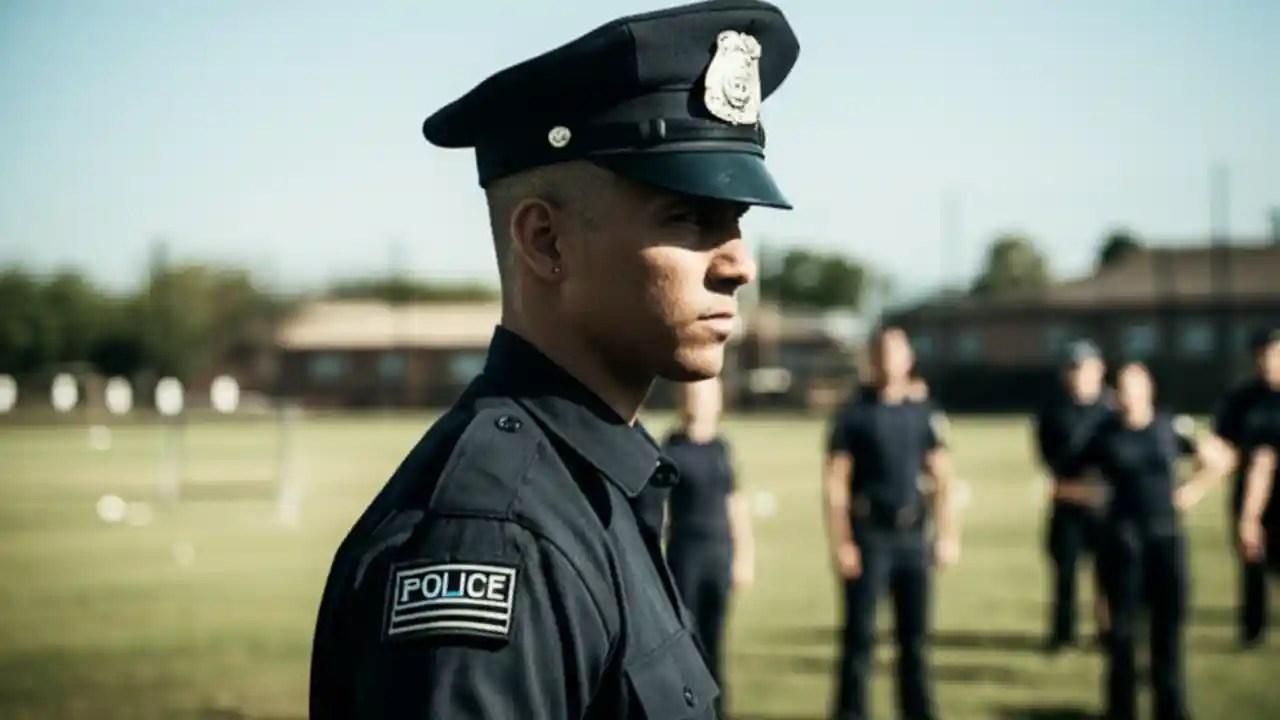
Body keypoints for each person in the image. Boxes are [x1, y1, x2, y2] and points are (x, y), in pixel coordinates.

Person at [308, 2, 802, 717]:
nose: (740, 265)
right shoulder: (500, 538)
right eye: (690, 216)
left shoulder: (588, 484)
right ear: (546, 242)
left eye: (737, 222)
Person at [1074, 362, 1231, 720]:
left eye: (1136, 386)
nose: (1130, 395)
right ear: (1115, 393)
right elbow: (1066, 481)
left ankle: (1171, 709)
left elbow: (1220, 459)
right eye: (1123, 388)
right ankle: (1121, 709)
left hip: (1166, 540)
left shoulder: (1170, 426)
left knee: (1168, 634)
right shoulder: (1102, 433)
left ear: (1149, 389)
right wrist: (1093, 496)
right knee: (1124, 636)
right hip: (1124, 544)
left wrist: (1191, 491)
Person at [823, 326, 961, 720]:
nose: (888, 360)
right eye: (881, 352)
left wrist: (948, 535)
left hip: (913, 539)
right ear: (871, 359)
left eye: (896, 352)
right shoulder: (854, 414)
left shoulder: (923, 412)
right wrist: (842, 542)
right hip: (870, 538)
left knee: (915, 642)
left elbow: (941, 478)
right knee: (859, 640)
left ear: (909, 359)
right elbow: (836, 484)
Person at [659, 377, 755, 717]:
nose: (698, 400)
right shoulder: (670, 448)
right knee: (686, 642)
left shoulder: (720, 448)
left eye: (706, 394)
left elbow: (735, 504)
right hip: (685, 555)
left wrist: (744, 556)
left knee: (715, 644)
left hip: (719, 554)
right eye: (692, 393)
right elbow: (659, 512)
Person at [1032, 339, 1112, 652]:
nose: (1079, 375)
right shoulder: (1052, 412)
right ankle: (1063, 635)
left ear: (1099, 370)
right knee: (1064, 572)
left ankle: (1108, 631)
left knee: (1106, 573)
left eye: (1086, 368)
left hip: (1105, 505)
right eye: (1074, 369)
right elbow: (1050, 459)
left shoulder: (1111, 407)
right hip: (1067, 502)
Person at [1210, 323, 1280, 647]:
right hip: (1250, 494)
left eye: (1275, 353)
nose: (1268, 360)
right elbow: (1221, 445)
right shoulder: (1241, 400)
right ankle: (1253, 631)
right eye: (1263, 354)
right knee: (1253, 560)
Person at [1235, 327, 1280, 587]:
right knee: (1255, 582)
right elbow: (1262, 465)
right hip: (1261, 502)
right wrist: (1250, 516)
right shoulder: (1245, 399)